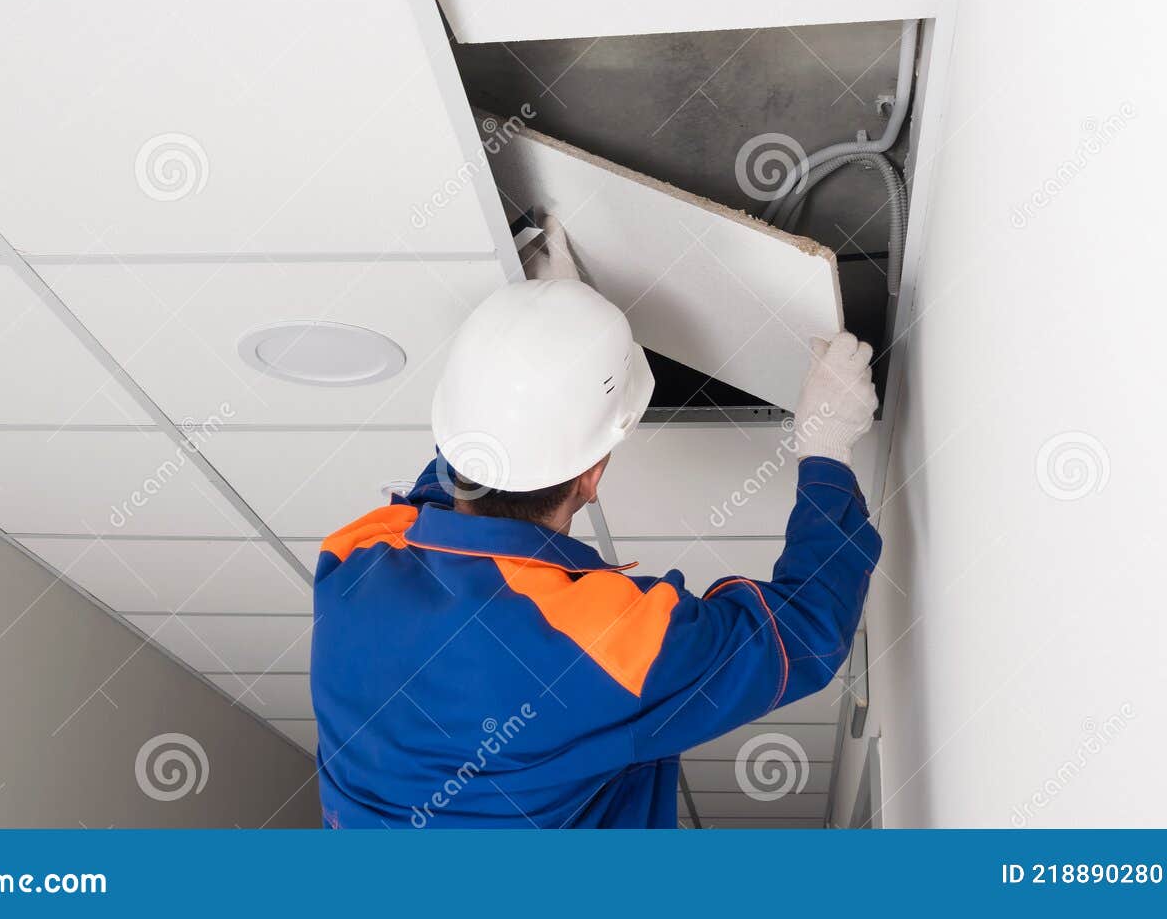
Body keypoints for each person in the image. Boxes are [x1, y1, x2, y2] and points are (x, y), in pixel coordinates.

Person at [309, 219, 882, 827]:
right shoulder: (606, 646)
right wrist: (827, 448)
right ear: (593, 475)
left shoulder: (351, 561)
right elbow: (804, 632)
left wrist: (527, 365)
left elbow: (444, 486)